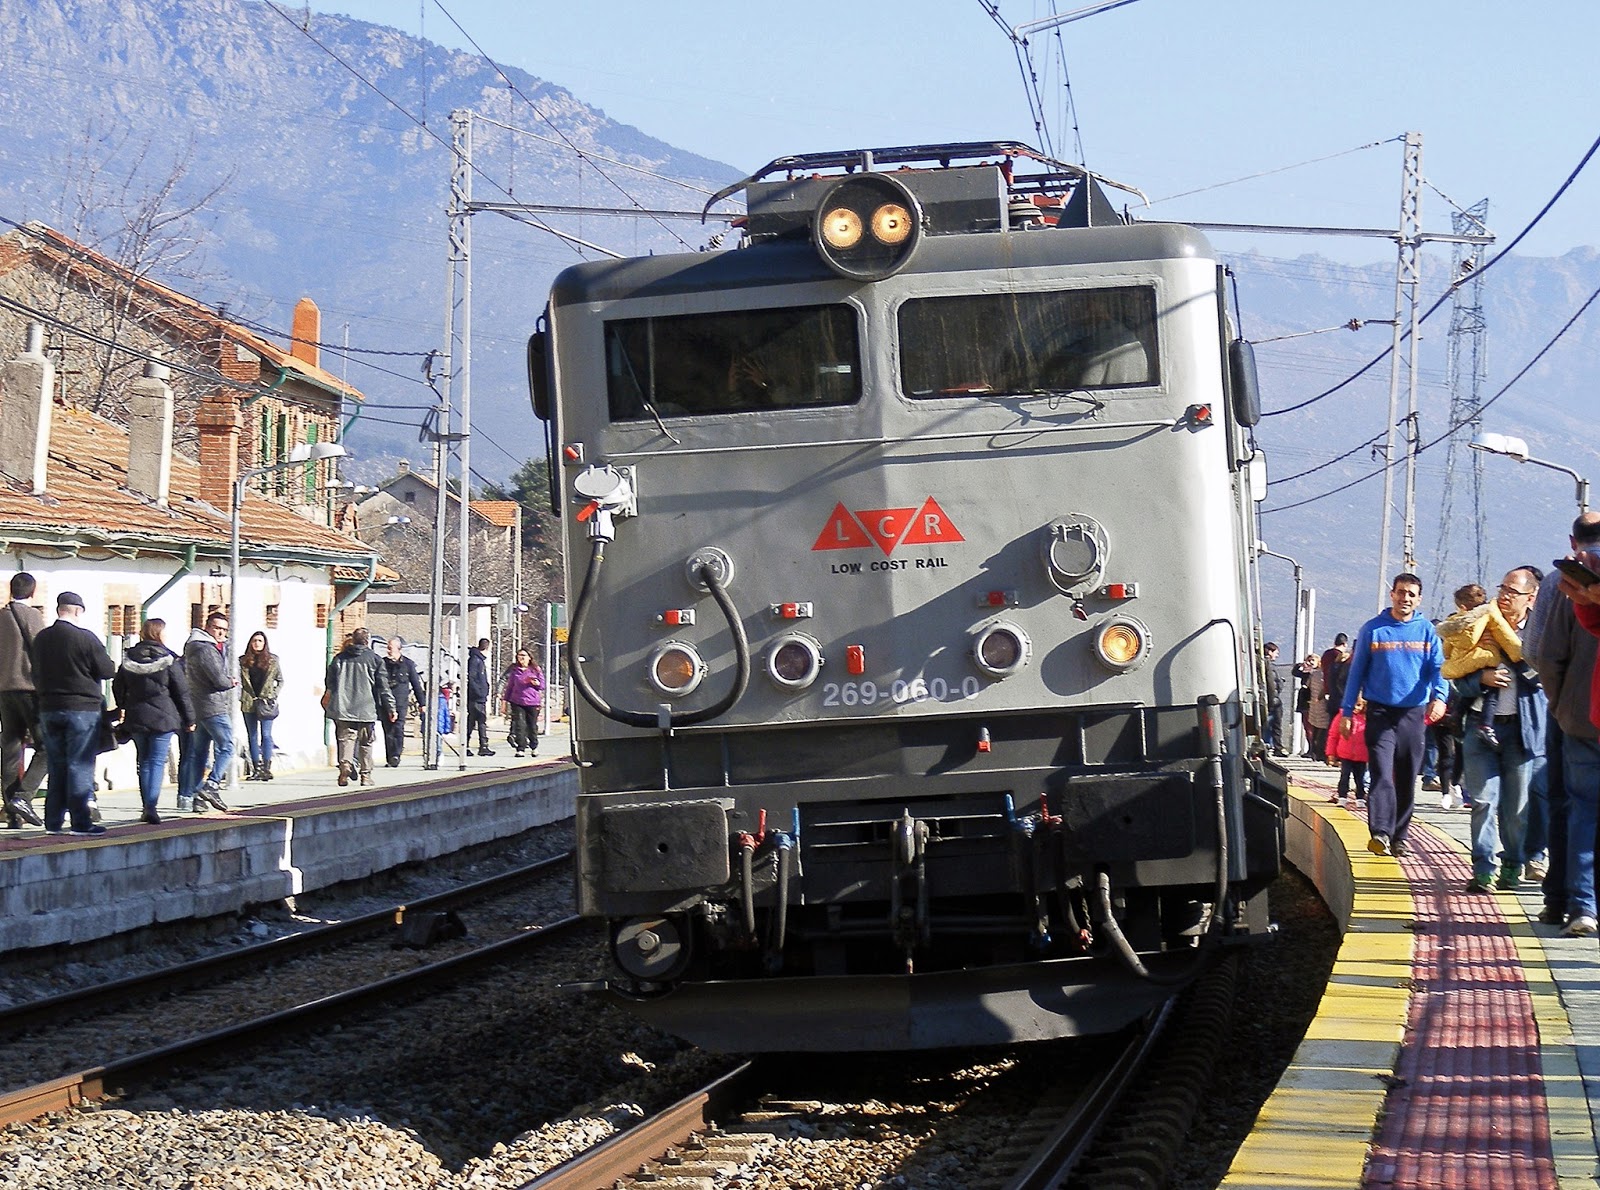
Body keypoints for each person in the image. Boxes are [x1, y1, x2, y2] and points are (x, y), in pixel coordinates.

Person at [1339, 574, 1447, 859]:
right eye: (1401, 592)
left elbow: (1439, 669)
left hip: (1413, 713)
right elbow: (1356, 672)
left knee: (1407, 775)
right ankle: (1380, 833)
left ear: (1418, 599)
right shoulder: (1373, 630)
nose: (1405, 598)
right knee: (1381, 772)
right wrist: (1347, 711)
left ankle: (1400, 835)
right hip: (1380, 712)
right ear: (1392, 595)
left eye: (1411, 594)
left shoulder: (1427, 632)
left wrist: (1440, 696)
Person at [1528, 518, 1600, 935]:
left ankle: (1572, 903)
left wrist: (1557, 701)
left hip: (1575, 714)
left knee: (1574, 806)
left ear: (1573, 540)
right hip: (1577, 709)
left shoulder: (1562, 581)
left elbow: (1540, 651)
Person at [1457, 568, 1546, 893]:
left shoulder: (1540, 631)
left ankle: (1513, 864)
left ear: (1531, 598)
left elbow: (1544, 678)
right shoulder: (1481, 625)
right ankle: (1483, 870)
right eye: (1503, 588)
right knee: (1482, 801)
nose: (1505, 595)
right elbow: (1458, 675)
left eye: (1513, 591)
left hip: (1522, 731)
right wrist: (1480, 679)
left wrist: (1514, 655)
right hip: (1481, 727)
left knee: (1516, 808)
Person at [30, 591, 115, 835]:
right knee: (79, 765)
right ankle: (80, 822)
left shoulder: (42, 639)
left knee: (57, 765)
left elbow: (34, 671)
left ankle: (53, 823)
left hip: (48, 708)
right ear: (78, 611)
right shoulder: (85, 638)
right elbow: (107, 670)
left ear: (59, 610)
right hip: (82, 709)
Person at [112, 619, 193, 825]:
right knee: (157, 761)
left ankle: (146, 806)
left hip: (136, 716)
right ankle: (151, 806)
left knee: (143, 761)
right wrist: (189, 718)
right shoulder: (168, 660)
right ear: (158, 634)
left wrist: (123, 705)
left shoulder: (128, 659)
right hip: (163, 717)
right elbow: (181, 692)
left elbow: (117, 685)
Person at [1438, 583, 1523, 751]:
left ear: (1461, 606)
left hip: (1463, 663)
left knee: (1471, 689)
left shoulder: (1453, 623)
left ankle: (1457, 714)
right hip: (1486, 658)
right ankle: (1486, 724)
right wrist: (1517, 653)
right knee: (1492, 692)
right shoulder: (1490, 615)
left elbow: (1447, 648)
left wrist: (1451, 656)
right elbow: (1508, 641)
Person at [323, 627, 396, 787]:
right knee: (366, 743)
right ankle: (365, 776)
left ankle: (345, 766)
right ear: (367, 641)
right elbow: (383, 687)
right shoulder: (376, 660)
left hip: (343, 708)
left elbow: (330, 682)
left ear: (353, 640)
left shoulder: (339, 659)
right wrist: (391, 708)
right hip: (367, 709)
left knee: (345, 740)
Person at [0, 571, 45, 827]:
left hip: (4, 690)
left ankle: (11, 814)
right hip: (29, 689)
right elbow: (42, 652)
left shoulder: (2, 616)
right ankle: (23, 797)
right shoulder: (32, 616)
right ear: (32, 591)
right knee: (47, 746)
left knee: (10, 748)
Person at [180, 610, 234, 812]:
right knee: (227, 746)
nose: (221, 633)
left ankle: (197, 798)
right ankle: (212, 785)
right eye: (217, 628)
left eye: (224, 630)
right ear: (207, 627)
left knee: (199, 753)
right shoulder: (206, 649)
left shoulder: (192, 646)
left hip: (198, 706)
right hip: (213, 706)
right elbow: (219, 680)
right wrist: (231, 682)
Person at [239, 630, 282, 781]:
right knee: (252, 735)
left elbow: (280, 680)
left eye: (260, 641)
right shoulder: (243, 661)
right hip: (249, 701)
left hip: (266, 702)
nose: (257, 643)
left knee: (266, 735)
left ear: (265, 644)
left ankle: (266, 767)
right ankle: (256, 768)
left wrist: (273, 694)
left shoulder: (272, 661)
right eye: (255, 640)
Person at [380, 637, 425, 767]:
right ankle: (390, 757)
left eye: (391, 648)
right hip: (386, 702)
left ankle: (396, 755)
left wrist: (422, 704)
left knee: (398, 729)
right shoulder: (382, 664)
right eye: (387, 648)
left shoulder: (408, 664)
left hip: (400, 702)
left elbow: (416, 685)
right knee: (388, 730)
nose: (388, 651)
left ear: (399, 649)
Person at [1326, 698, 1369, 811]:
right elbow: (1333, 735)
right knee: (1344, 776)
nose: (1356, 708)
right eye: (1354, 705)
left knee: (1360, 778)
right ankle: (1342, 796)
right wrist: (1331, 754)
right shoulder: (1342, 716)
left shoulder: (1367, 719)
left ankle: (1360, 797)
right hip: (1345, 754)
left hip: (1361, 755)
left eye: (1359, 705)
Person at [502, 647, 545, 758]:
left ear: (529, 658)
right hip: (517, 701)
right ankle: (520, 748)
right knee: (520, 725)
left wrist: (536, 683)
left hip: (532, 702)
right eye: (519, 655)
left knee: (532, 725)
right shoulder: (515, 670)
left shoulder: (535, 669)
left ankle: (534, 746)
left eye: (523, 655)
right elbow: (510, 686)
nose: (521, 657)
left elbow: (542, 685)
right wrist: (505, 701)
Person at [465, 638, 493, 756]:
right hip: (476, 696)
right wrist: (479, 692)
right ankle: (482, 745)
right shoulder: (475, 659)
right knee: (479, 720)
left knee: (474, 721)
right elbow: (472, 677)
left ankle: (476, 745)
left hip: (479, 695)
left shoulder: (478, 659)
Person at [1262, 642, 1286, 756]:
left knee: (1269, 725)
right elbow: (1271, 683)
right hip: (1273, 700)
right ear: (1270, 652)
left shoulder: (1264, 664)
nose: (1277, 655)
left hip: (1270, 698)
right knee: (1274, 724)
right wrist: (1273, 699)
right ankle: (1275, 747)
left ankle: (1271, 746)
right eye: (1276, 652)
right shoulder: (1269, 666)